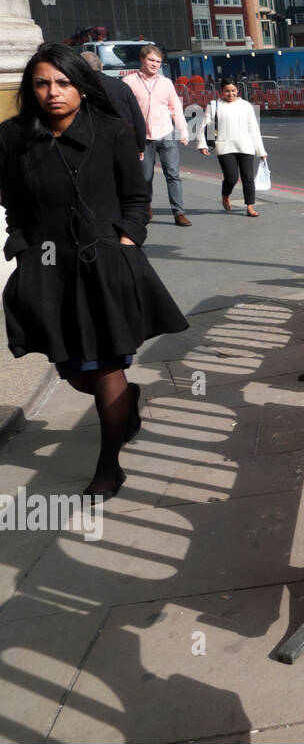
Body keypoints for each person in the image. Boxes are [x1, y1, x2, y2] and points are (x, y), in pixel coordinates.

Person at [0, 43, 189, 498]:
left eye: (63, 83)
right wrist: (24, 248)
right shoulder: (12, 137)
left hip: (104, 262)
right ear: (31, 90)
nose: (53, 93)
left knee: (105, 368)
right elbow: (13, 202)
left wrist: (126, 239)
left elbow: (136, 197)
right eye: (42, 84)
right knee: (72, 369)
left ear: (81, 88)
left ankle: (109, 465)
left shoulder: (111, 131)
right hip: (48, 268)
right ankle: (127, 402)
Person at [123, 44, 191, 226]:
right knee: (145, 177)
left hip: (166, 133)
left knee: (173, 174)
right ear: (142, 60)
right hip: (143, 137)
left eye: (158, 61)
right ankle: (146, 207)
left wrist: (182, 131)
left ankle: (179, 212)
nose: (155, 64)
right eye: (151, 60)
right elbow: (124, 110)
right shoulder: (129, 82)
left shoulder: (166, 83)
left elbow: (175, 108)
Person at [198, 80, 268, 217]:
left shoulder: (246, 106)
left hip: (245, 146)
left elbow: (254, 129)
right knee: (231, 178)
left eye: (233, 90)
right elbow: (205, 126)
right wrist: (202, 144)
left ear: (238, 91)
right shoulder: (214, 106)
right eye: (227, 91)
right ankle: (225, 195)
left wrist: (261, 150)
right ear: (221, 92)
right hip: (224, 146)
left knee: (248, 177)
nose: (230, 93)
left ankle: (250, 207)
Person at [80, 51, 146, 155]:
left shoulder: (78, 88)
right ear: (101, 66)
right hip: (124, 143)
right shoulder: (122, 86)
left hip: (92, 146)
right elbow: (137, 117)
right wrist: (140, 146)